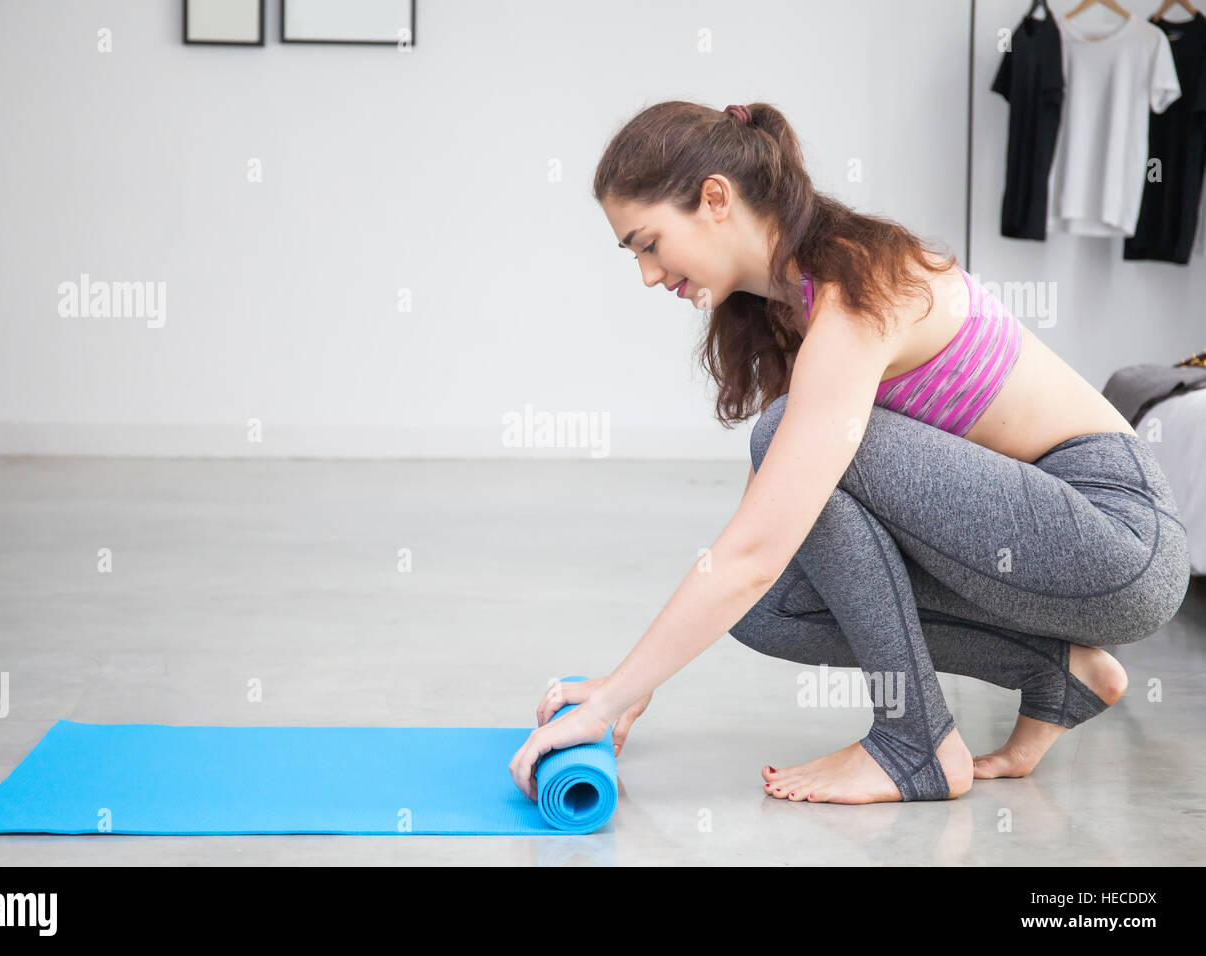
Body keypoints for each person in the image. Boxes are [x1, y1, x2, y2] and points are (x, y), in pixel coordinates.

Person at [508, 100, 1192, 805]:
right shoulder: (796, 301)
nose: (649, 275)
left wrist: (610, 696)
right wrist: (632, 682)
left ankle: (915, 744)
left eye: (648, 243)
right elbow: (760, 543)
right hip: (1051, 552)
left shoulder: (858, 291)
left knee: (777, 462)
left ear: (715, 198)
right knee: (769, 604)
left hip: (1119, 539)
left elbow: (752, 548)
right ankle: (1058, 673)